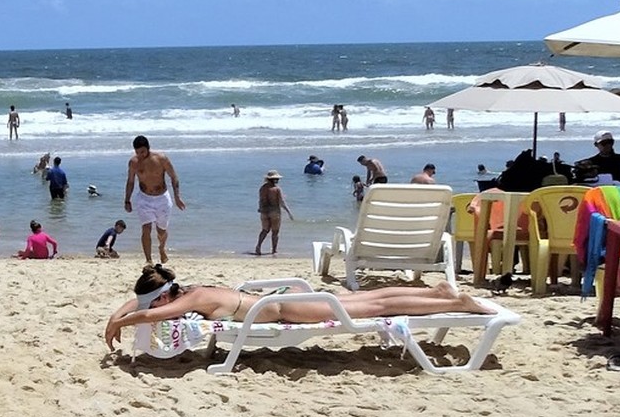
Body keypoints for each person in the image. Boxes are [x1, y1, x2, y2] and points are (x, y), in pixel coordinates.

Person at [104, 264, 495, 350]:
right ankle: (438, 294)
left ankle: (455, 302)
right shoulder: (189, 290)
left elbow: (150, 314)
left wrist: (120, 324)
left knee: (377, 305)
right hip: (282, 300)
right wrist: (115, 316)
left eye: (154, 299)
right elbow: (142, 303)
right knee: (369, 300)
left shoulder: (189, 300)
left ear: (163, 296)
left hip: (285, 309)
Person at [124, 135, 184, 264]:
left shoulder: (161, 159)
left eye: (142, 152)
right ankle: (149, 260)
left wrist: (177, 197)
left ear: (148, 148)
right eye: (137, 152)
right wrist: (127, 200)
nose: (140, 155)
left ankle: (161, 248)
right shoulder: (133, 162)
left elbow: (174, 177)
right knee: (146, 228)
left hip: (162, 198)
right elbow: (130, 182)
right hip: (144, 199)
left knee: (161, 231)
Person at [255, 170, 294, 256]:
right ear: (275, 179)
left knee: (265, 230)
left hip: (264, 212)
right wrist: (289, 212)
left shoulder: (262, 188)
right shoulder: (276, 189)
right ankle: (274, 250)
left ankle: (258, 246)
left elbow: (261, 200)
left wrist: (260, 209)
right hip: (274, 212)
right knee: (275, 232)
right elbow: (282, 202)